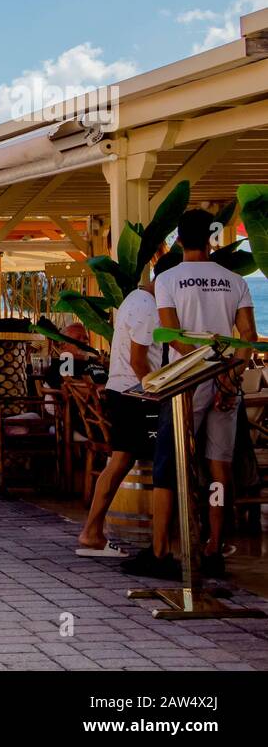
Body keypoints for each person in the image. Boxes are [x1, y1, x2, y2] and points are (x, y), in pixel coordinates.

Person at [123, 209, 257, 580]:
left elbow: (174, 336)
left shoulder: (167, 279)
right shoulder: (235, 280)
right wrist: (229, 376)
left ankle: (161, 549)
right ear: (212, 239)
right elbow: (248, 336)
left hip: (187, 382)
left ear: (179, 240)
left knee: (168, 464)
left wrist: (205, 369)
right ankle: (213, 547)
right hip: (225, 383)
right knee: (218, 467)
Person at [76, 280, 163, 557]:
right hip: (132, 393)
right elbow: (139, 361)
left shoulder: (134, 299)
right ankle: (91, 531)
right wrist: (156, 391)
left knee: (120, 461)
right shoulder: (148, 307)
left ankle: (92, 531)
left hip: (123, 390)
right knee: (121, 462)